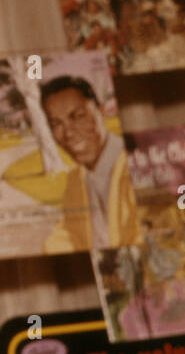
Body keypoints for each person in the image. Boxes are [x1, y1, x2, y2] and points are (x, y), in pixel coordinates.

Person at [39, 75, 139, 253]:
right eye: (56, 124)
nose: (68, 133)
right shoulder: (75, 181)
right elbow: (69, 235)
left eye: (78, 116)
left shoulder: (136, 163)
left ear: (101, 111)